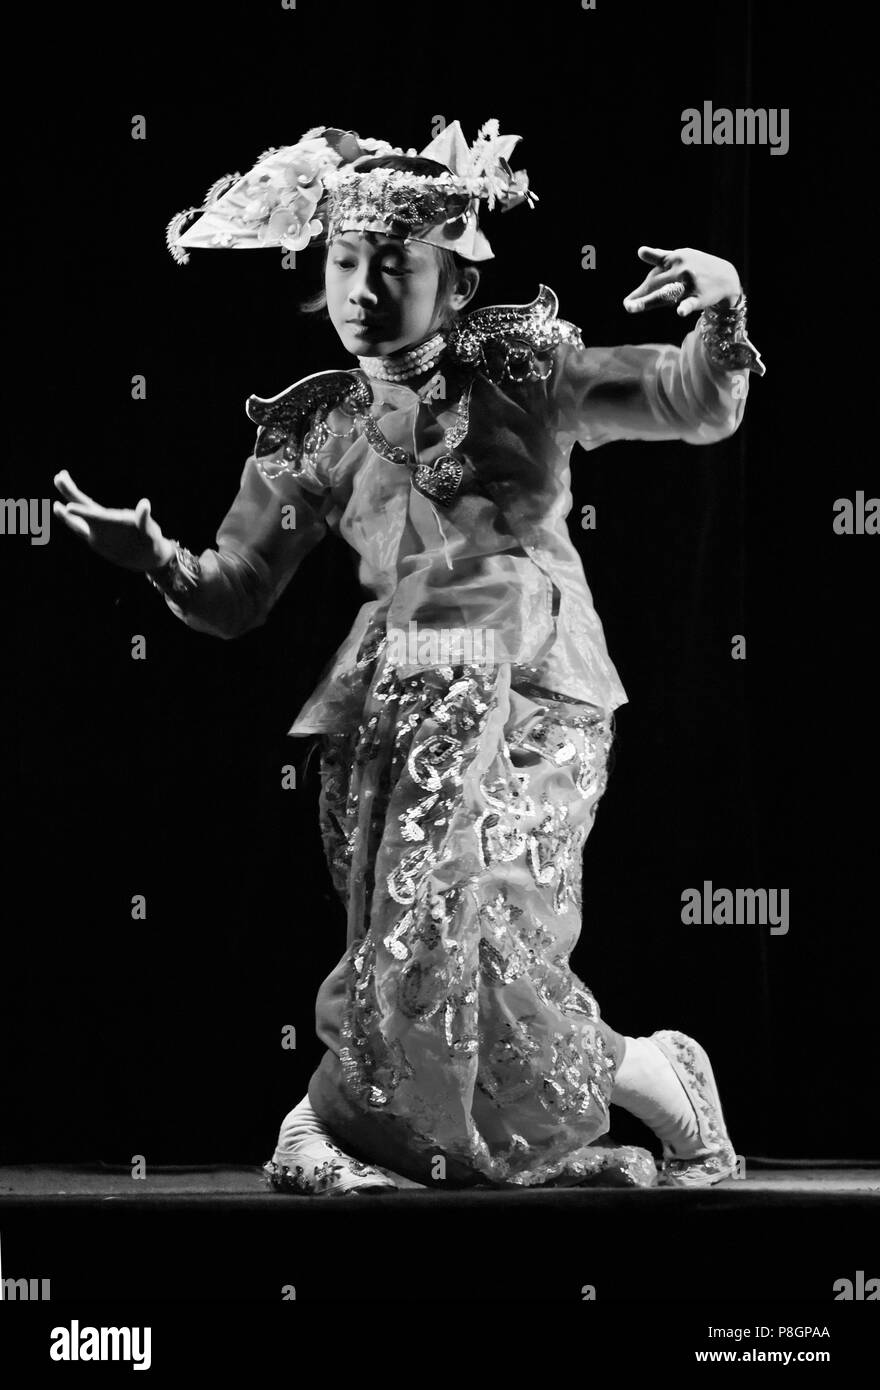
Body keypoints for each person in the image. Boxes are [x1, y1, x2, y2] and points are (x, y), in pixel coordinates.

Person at [54, 120, 765, 1194]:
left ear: (456, 275)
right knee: (415, 927)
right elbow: (236, 593)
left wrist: (722, 309)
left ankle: (645, 1074)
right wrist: (156, 557)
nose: (361, 291)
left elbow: (691, 402)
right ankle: (332, 1122)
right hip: (406, 699)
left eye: (393, 268)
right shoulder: (319, 425)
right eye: (344, 264)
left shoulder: (526, 367)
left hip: (538, 692)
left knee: (498, 932)